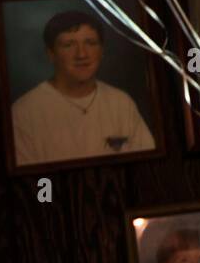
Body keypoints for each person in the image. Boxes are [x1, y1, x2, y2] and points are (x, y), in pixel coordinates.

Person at [11, 10, 156, 166]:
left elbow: (148, 165)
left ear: (102, 51)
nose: (81, 54)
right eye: (69, 45)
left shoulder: (121, 102)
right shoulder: (23, 112)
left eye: (90, 43)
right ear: (51, 54)